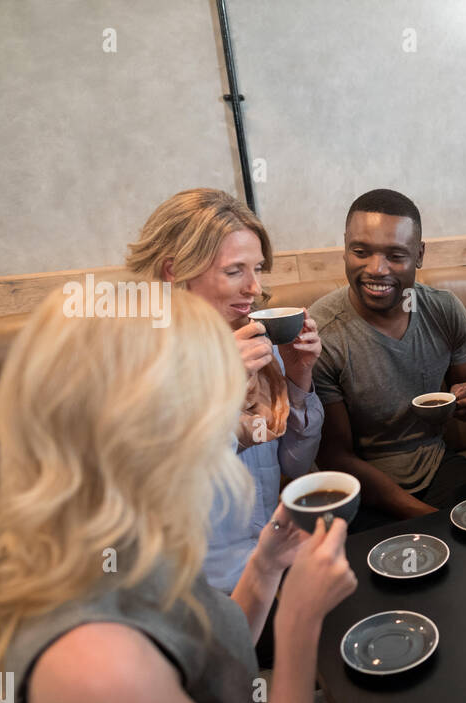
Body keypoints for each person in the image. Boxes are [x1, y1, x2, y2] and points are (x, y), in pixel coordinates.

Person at [0, 289, 402, 703]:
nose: (234, 423)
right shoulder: (95, 661)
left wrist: (264, 567)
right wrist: (301, 622)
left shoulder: (122, 540)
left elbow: (207, 658)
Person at [126, 188, 323, 595]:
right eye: (235, 271)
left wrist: (300, 377)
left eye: (259, 269)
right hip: (194, 586)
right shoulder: (138, 363)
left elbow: (296, 464)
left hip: (267, 558)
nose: (254, 287)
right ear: (173, 271)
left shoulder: (257, 348)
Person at [309, 189, 466, 531]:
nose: (376, 270)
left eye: (395, 255)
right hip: (360, 486)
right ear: (345, 248)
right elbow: (335, 457)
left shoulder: (444, 310)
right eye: (361, 252)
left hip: (437, 462)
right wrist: (425, 516)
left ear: (419, 254)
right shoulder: (322, 334)